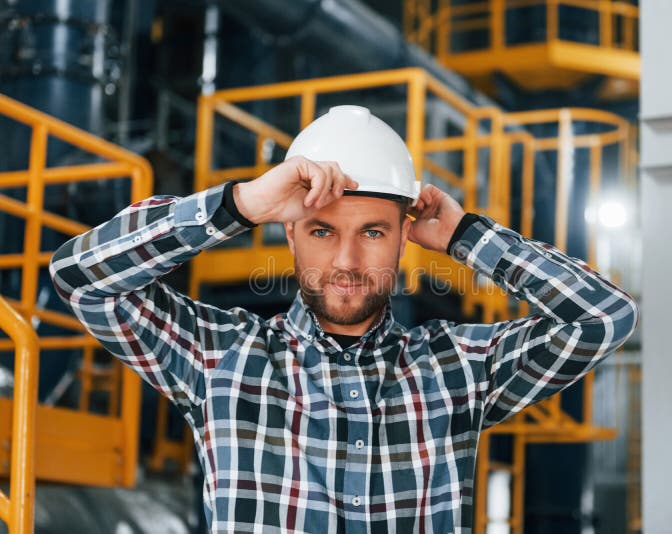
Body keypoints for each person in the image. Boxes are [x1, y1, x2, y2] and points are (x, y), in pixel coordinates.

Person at [49, 105, 639, 533]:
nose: (347, 262)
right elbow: (80, 277)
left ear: (406, 236)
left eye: (373, 232)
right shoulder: (219, 357)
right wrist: (239, 205)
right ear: (290, 233)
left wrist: (468, 237)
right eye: (323, 231)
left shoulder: (459, 369)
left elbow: (603, 316)